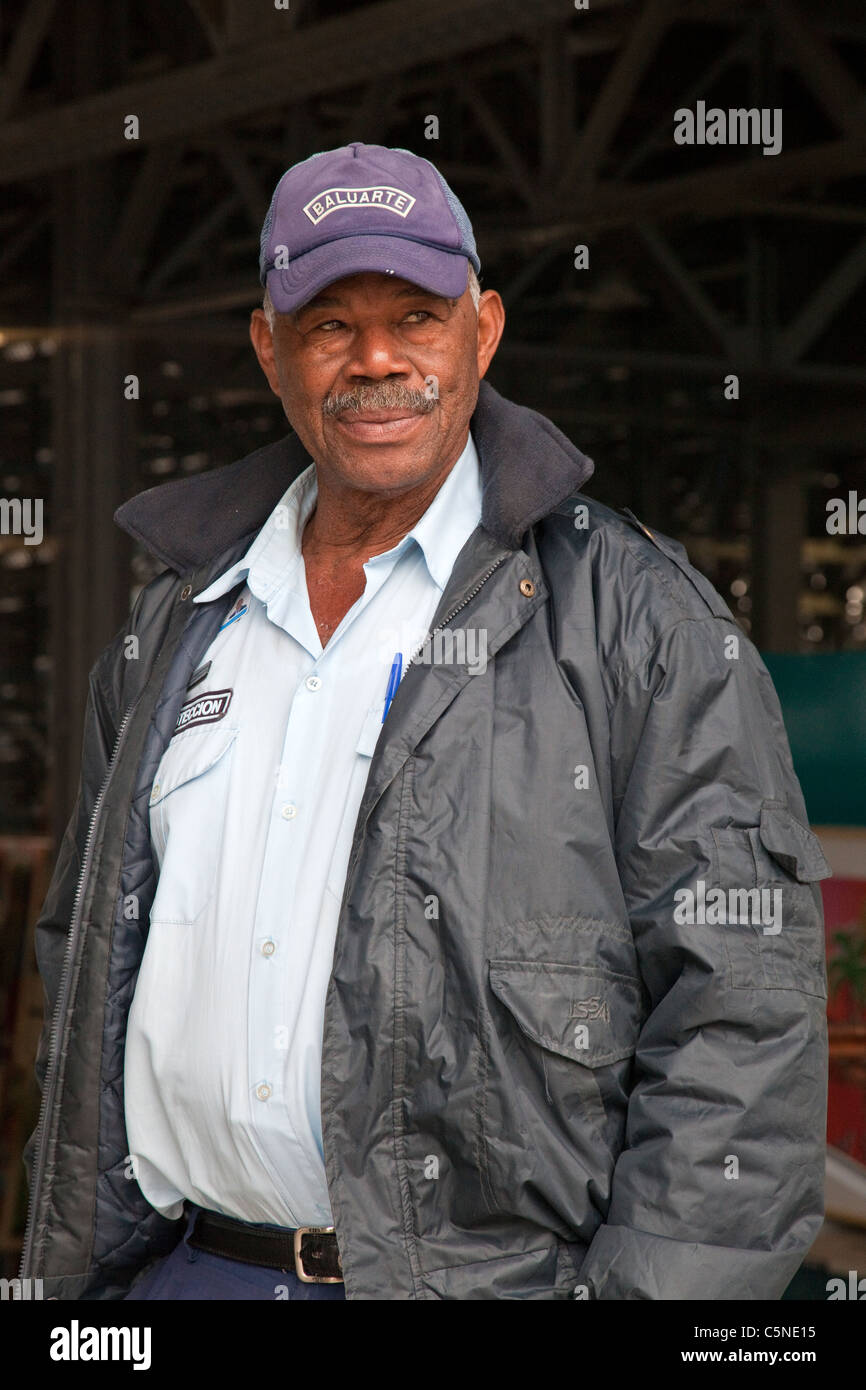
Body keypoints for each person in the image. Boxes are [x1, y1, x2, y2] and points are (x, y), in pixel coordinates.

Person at [22, 142, 831, 1301]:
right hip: (186, 1275)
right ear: (268, 347)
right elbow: (88, 967)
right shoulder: (173, 631)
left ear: (483, 330)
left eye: (415, 314)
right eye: (327, 324)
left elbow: (741, 1016)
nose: (377, 360)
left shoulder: (630, 622)